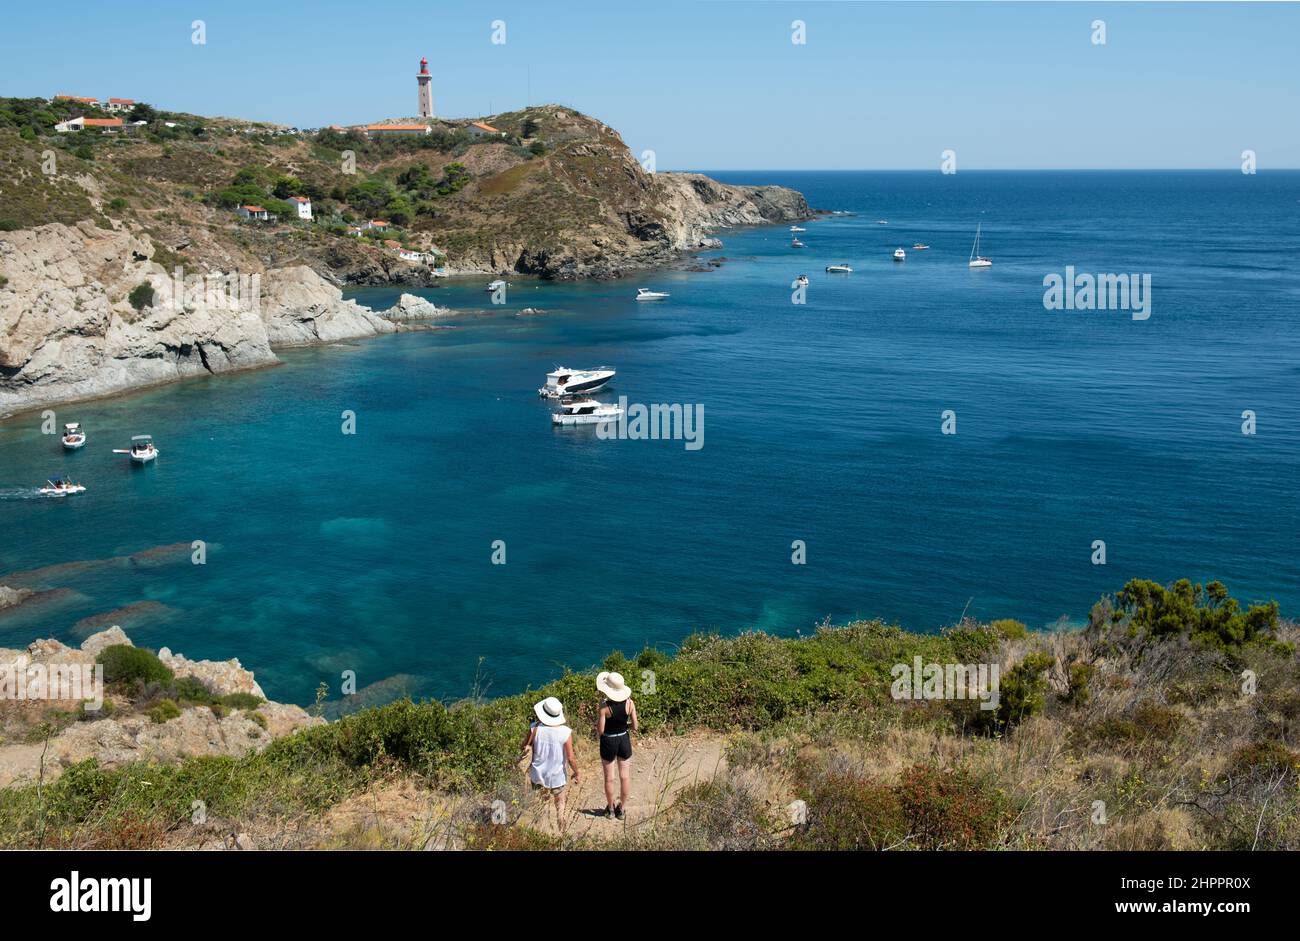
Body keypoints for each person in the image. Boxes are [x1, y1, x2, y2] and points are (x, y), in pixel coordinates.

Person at [520, 696, 580, 832]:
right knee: (560, 803)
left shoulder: (534, 728)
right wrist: (577, 772)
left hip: (537, 774)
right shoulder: (565, 732)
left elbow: (523, 746)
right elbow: (570, 757)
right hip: (557, 776)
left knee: (540, 801)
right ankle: (561, 824)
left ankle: (539, 827)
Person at [595, 671, 638, 819]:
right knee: (625, 777)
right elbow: (635, 726)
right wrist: (625, 727)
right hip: (624, 740)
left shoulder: (604, 706)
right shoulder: (630, 703)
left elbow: (600, 730)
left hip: (608, 741)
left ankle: (611, 810)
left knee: (609, 778)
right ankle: (622, 809)